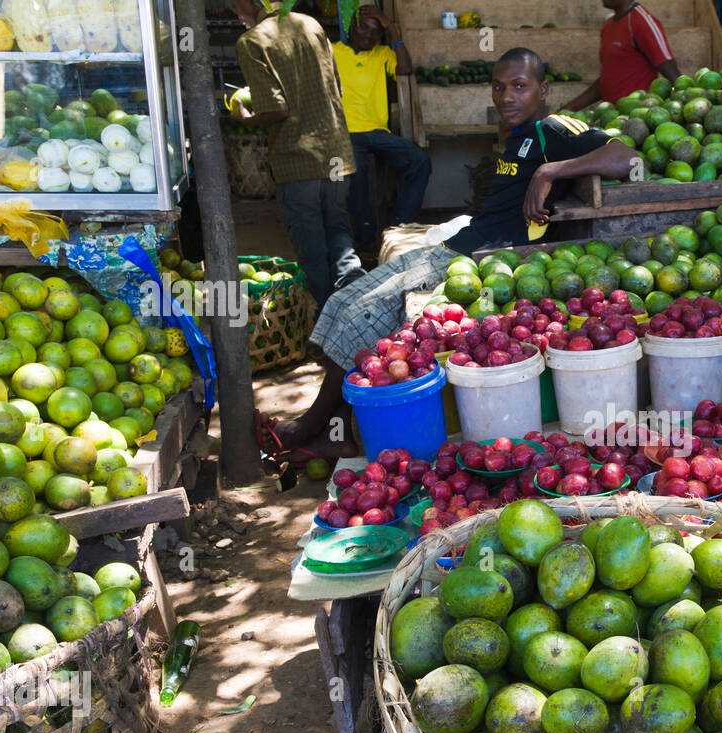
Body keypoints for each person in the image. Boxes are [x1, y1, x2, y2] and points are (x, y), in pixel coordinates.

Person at [260, 49, 639, 460]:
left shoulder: (553, 129)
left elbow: (626, 158)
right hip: (457, 246)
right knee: (341, 301)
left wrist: (549, 172)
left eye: (519, 86)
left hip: (480, 261)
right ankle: (334, 432)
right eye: (498, 87)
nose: (506, 97)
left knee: (359, 313)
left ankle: (311, 426)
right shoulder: (519, 136)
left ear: (543, 90)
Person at [231, 0, 363, 308]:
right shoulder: (312, 25)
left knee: (312, 249)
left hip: (297, 159)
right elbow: (337, 87)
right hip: (335, 153)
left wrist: (246, 118)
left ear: (246, 4)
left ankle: (323, 324)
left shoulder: (251, 41)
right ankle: (358, 312)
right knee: (340, 234)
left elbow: (276, 108)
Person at [333, 6, 432, 260]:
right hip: (346, 133)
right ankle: (366, 240)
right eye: (364, 27)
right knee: (357, 177)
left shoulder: (384, 54)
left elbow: (406, 69)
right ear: (351, 26)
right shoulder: (333, 52)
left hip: (378, 132)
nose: (369, 35)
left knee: (419, 161)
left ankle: (400, 228)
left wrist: (392, 29)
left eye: (376, 31)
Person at [561, 0, 681, 112]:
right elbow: (608, 79)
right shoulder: (608, 26)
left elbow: (674, 76)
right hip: (611, 118)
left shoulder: (642, 21)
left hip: (638, 118)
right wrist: (569, 108)